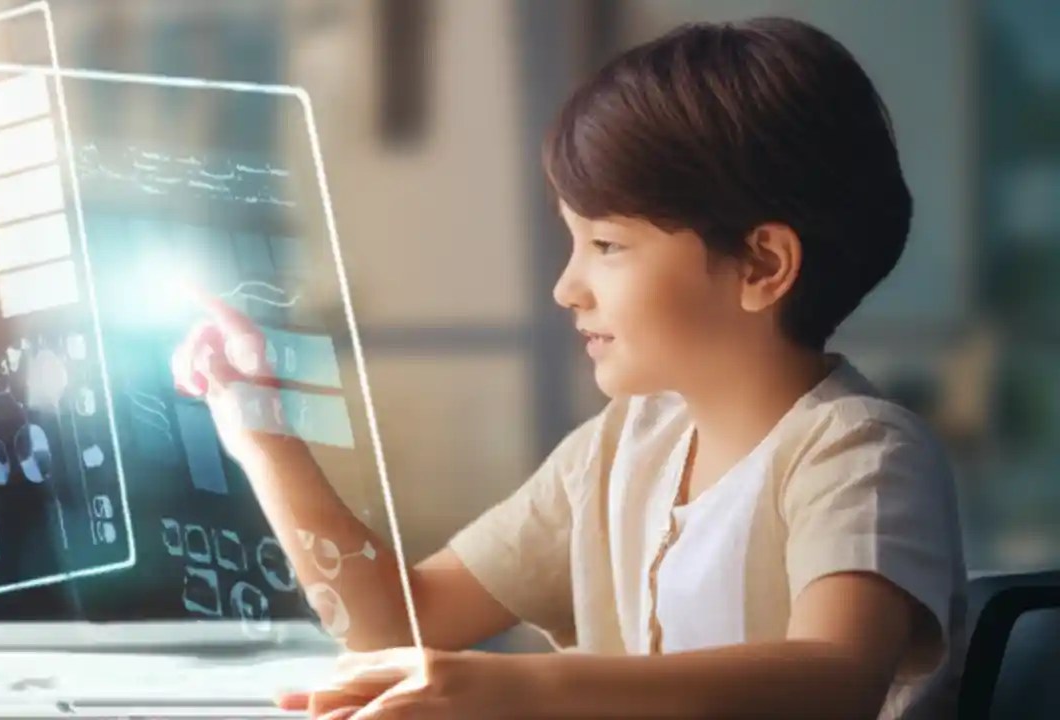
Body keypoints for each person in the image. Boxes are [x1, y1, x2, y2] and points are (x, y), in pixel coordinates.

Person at [172, 16, 965, 720]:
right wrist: (259, 428)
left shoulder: (862, 454)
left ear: (762, 265)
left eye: (609, 247)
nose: (566, 286)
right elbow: (394, 622)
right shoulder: (616, 452)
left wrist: (521, 690)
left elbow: (833, 680)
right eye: (574, 241)